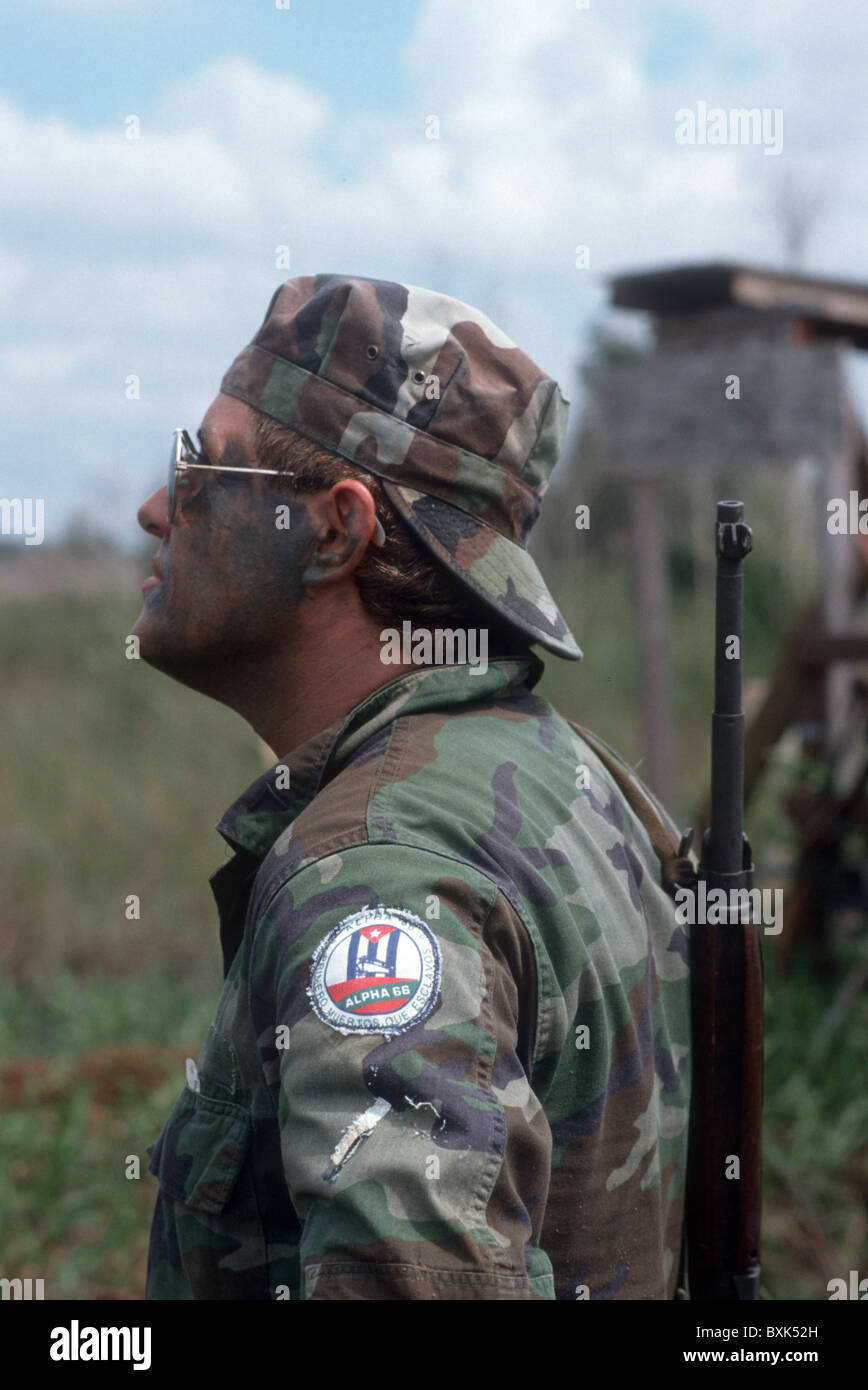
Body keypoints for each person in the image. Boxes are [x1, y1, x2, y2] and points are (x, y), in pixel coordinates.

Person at [134, 273, 691, 1301]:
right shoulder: (560, 769)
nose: (153, 508)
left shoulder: (377, 864)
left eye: (195, 464)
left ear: (335, 533)